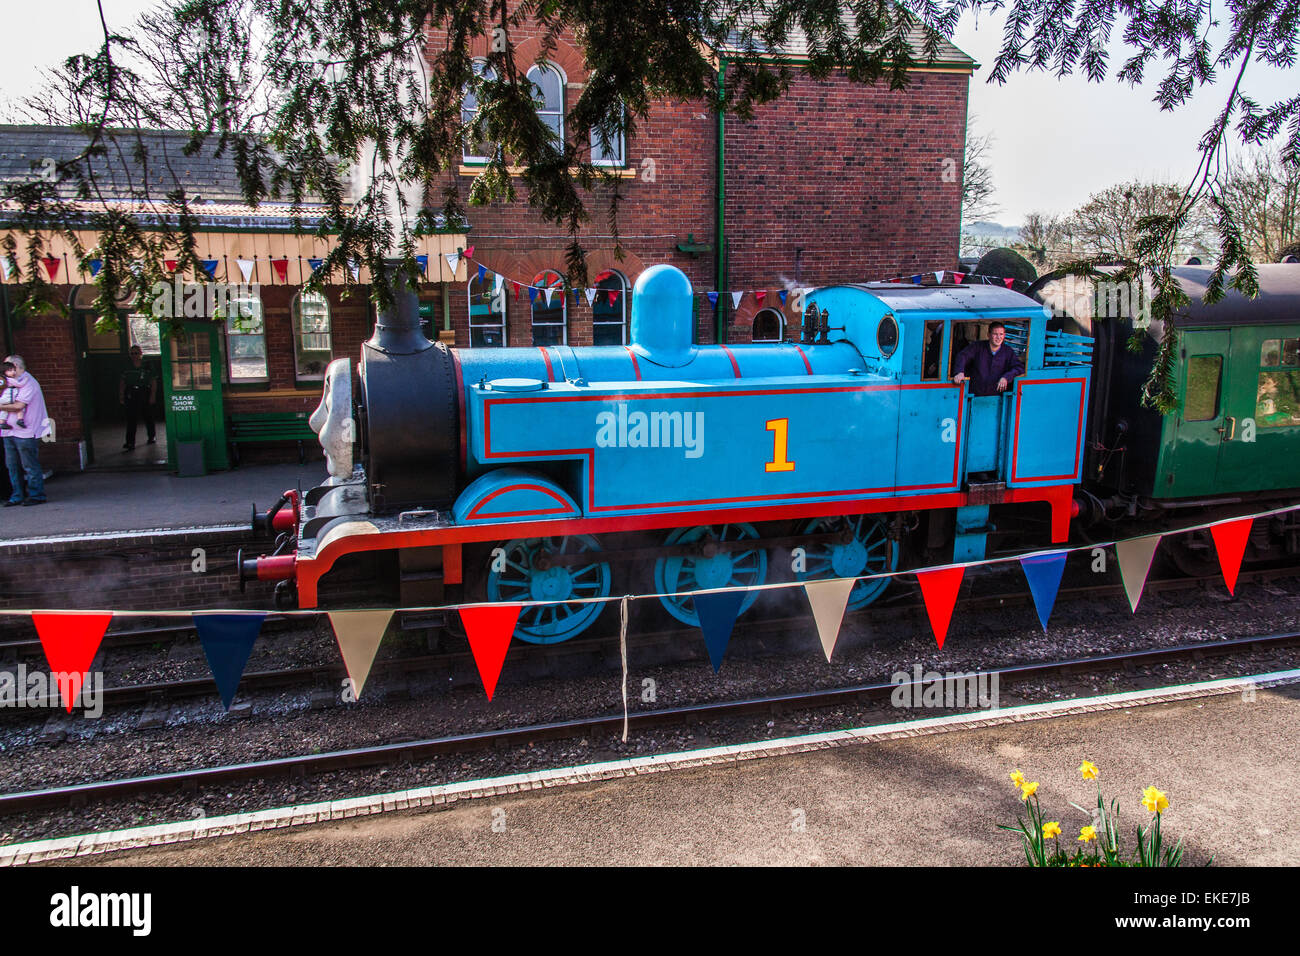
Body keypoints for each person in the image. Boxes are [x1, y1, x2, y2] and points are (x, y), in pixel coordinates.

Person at [1, 355, 49, 506]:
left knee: (29, 465)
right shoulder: (8, 383)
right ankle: (17, 495)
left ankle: (37, 495)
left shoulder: (29, 383)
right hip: (8, 431)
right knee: (12, 466)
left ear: (15, 366)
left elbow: (18, 406)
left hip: (26, 431)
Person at [951, 321, 1025, 396]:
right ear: (988, 335)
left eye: (1001, 334)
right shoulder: (977, 347)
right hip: (975, 394)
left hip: (997, 396)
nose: (998, 337)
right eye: (995, 334)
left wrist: (1006, 377)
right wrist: (960, 372)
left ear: (1004, 335)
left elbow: (1019, 367)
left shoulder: (1008, 351)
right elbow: (962, 356)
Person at [119, 345, 158, 450]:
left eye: (136, 353)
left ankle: (151, 436)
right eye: (132, 353)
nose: (134, 356)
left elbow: (153, 380)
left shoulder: (147, 365)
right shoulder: (126, 366)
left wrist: (152, 395)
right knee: (131, 418)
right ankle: (130, 442)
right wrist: (121, 394)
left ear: (141, 353)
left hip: (144, 391)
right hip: (131, 391)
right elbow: (122, 381)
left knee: (148, 416)